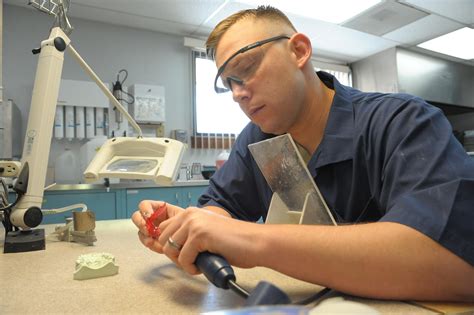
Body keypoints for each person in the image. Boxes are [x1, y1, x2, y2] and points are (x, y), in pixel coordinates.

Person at [132, 5, 474, 302]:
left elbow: (454, 260)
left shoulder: (399, 121)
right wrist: (193, 226)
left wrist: (252, 240)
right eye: (230, 82)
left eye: (247, 67)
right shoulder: (260, 139)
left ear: (299, 51)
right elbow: (223, 207)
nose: (238, 94)